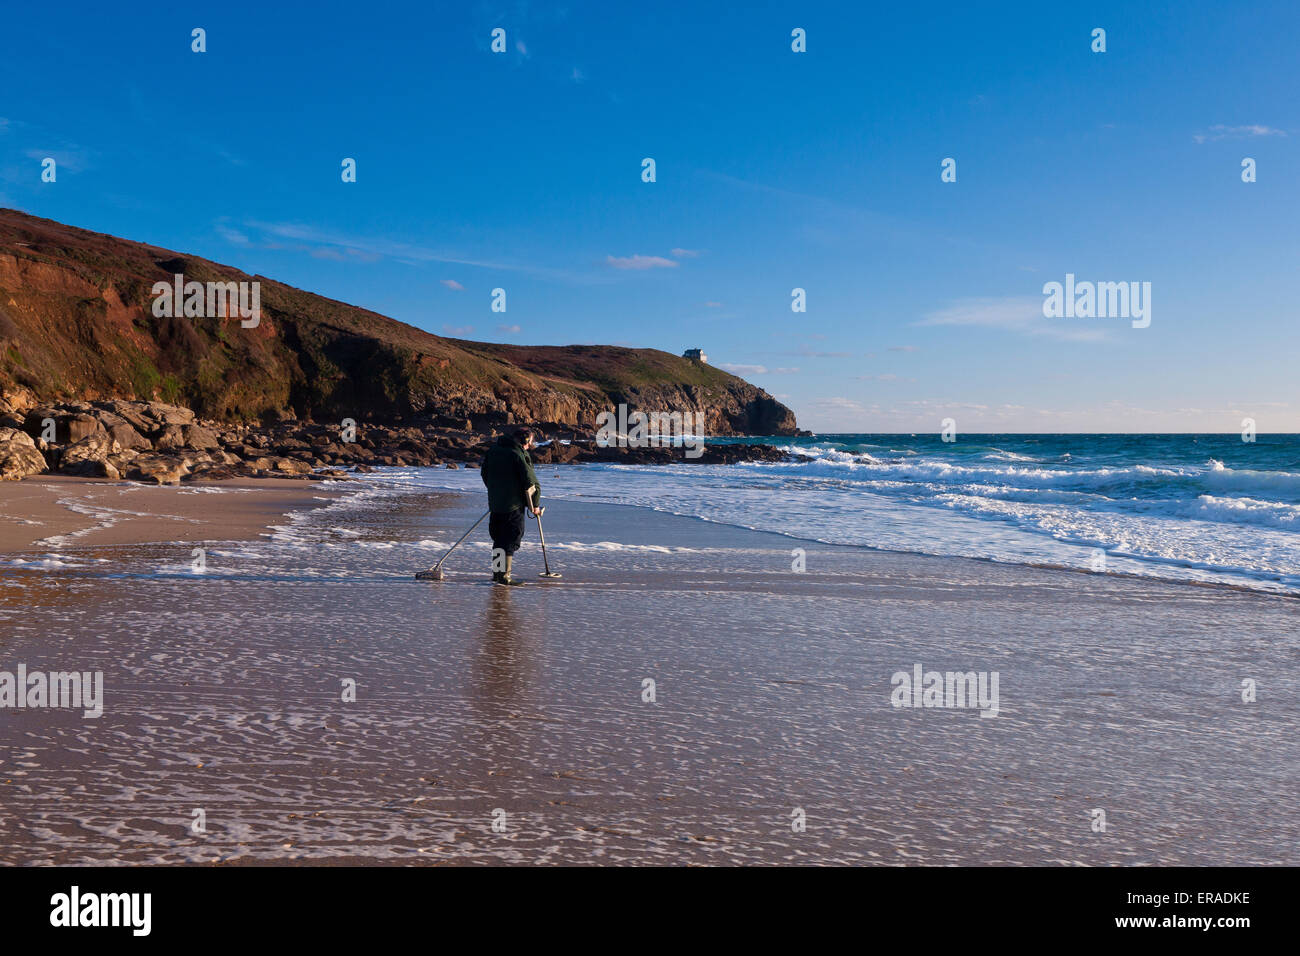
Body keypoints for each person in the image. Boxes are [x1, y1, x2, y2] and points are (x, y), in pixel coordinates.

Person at [479, 427, 542, 585]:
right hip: (512, 505)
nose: (529, 446)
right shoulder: (518, 453)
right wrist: (535, 505)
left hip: (495, 502)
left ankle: (497, 574)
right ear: (525, 440)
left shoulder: (494, 450)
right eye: (529, 443)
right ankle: (504, 577)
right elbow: (531, 482)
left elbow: (484, 474)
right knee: (511, 538)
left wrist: (496, 492)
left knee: (499, 539)